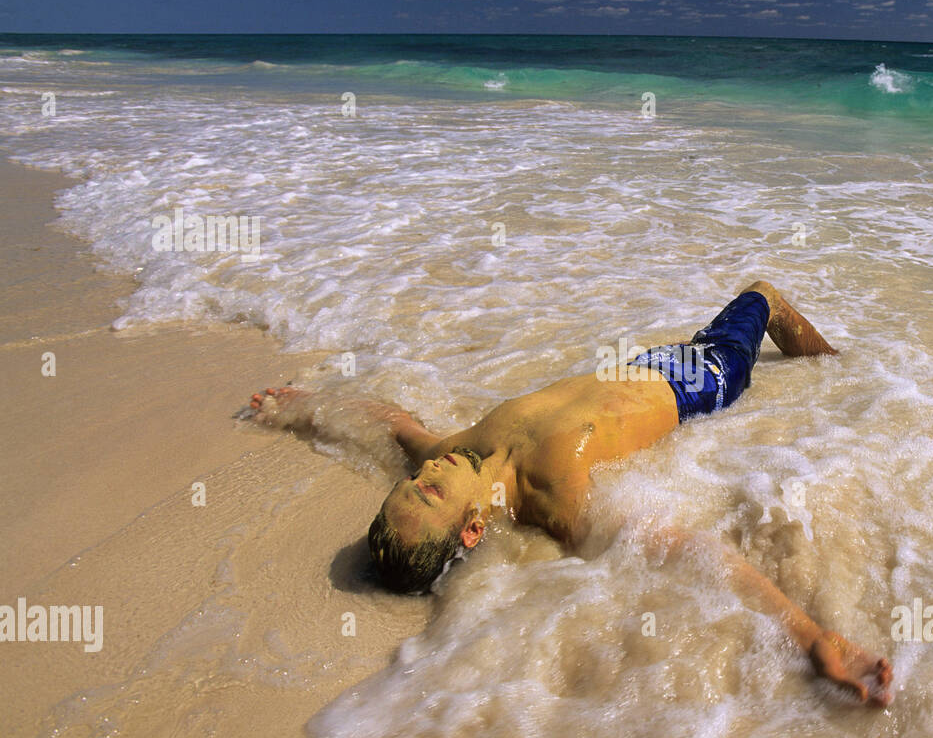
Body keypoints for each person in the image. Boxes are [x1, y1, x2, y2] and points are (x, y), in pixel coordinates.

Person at [249, 281, 892, 706]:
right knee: (761, 295)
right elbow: (691, 551)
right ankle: (844, 369)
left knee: (739, 309)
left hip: (644, 363)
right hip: (703, 381)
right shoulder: (555, 498)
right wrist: (812, 636)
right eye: (428, 494)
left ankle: (836, 367)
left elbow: (393, 422)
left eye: (413, 485)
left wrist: (306, 407)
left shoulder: (456, 450)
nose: (426, 474)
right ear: (472, 529)